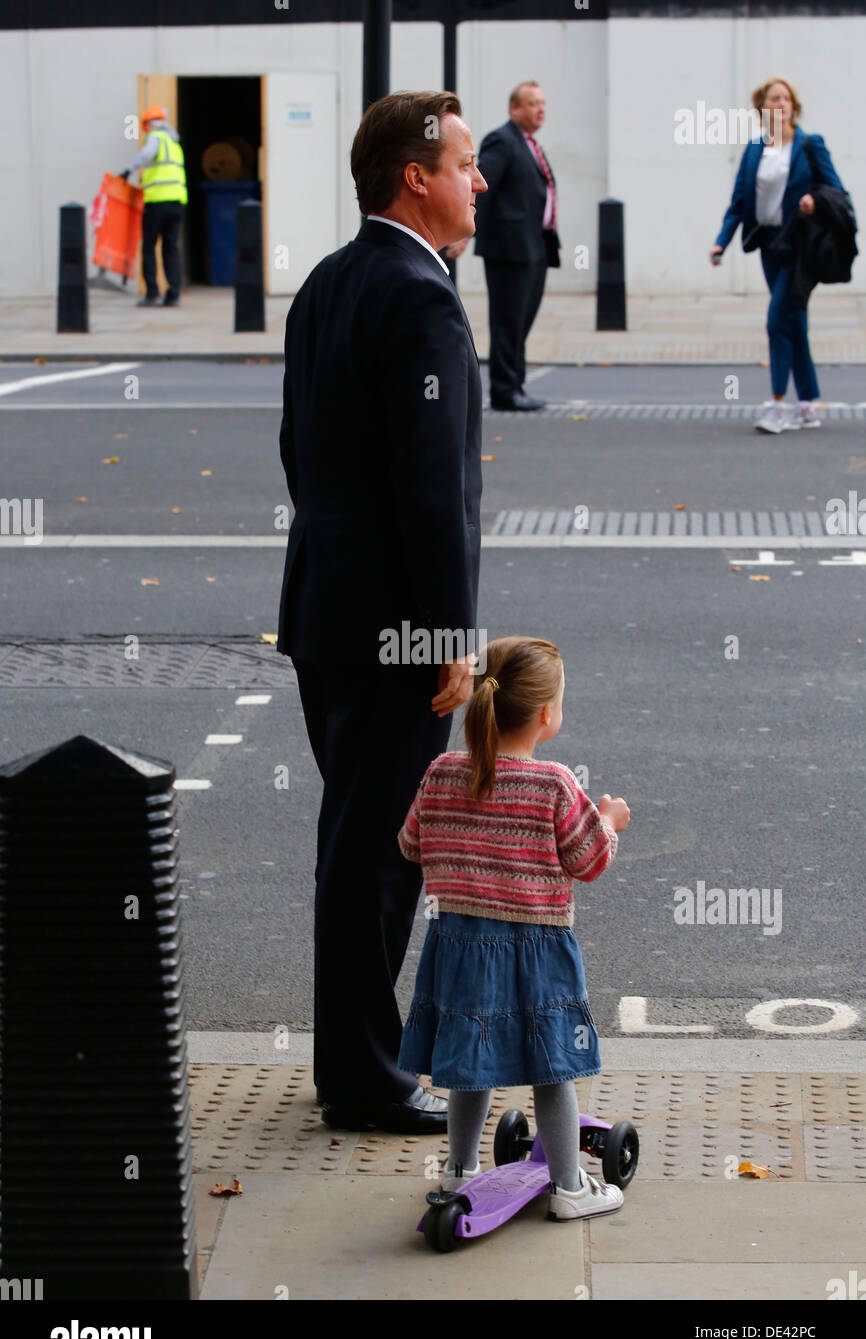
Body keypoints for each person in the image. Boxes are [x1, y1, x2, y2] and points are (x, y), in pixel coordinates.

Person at [276, 91, 487, 1135]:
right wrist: (450, 634)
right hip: (396, 631)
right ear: (416, 176)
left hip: (325, 611)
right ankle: (361, 1078)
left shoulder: (323, 286)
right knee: (379, 853)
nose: (479, 179)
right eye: (462, 162)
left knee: (357, 841)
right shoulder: (420, 297)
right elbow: (429, 487)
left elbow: (297, 457)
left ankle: (351, 1061)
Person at [397, 636, 631, 1220]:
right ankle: (571, 1189)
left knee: (467, 1061)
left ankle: (458, 1169)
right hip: (535, 948)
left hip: (457, 944)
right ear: (546, 715)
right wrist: (607, 821)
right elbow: (588, 862)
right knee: (554, 1066)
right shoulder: (553, 784)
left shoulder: (441, 772)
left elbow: (409, 845)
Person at [710, 78, 844, 434]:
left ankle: (777, 405)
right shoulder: (755, 149)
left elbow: (836, 189)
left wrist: (815, 201)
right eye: (774, 99)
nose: (781, 104)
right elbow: (739, 201)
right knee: (794, 322)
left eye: (786, 99)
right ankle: (808, 404)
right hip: (769, 245)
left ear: (793, 106)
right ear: (763, 108)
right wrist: (721, 241)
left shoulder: (809, 145)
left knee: (776, 320)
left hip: (801, 247)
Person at [473, 81, 562, 412]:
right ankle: (505, 391)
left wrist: (554, 241)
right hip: (509, 251)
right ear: (515, 109)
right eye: (533, 103)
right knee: (508, 322)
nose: (541, 109)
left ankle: (515, 384)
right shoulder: (502, 141)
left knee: (521, 321)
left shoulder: (530, 145)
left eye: (543, 103)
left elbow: (543, 196)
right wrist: (464, 232)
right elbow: (482, 187)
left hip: (535, 249)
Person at [119, 105, 188, 307]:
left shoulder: (156, 137)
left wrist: (128, 171)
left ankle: (152, 293)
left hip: (158, 203)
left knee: (149, 247)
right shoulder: (175, 143)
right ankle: (173, 294)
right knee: (171, 248)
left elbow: (146, 155)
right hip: (177, 203)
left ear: (149, 124)